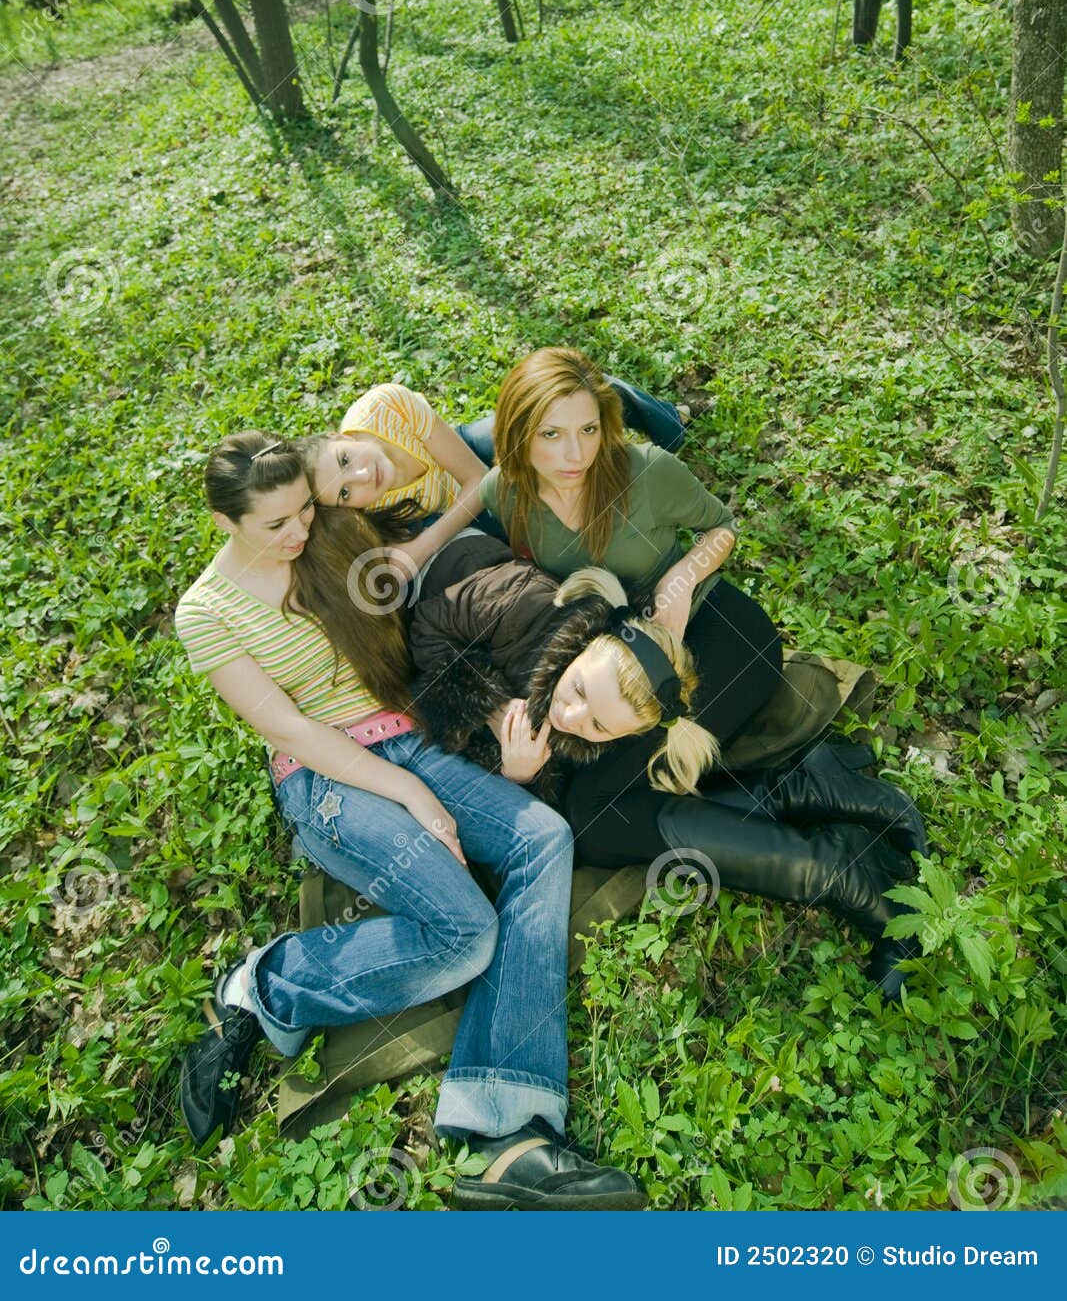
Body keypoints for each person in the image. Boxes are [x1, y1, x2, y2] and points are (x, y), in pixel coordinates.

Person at [173, 431, 645, 1210]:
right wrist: (410, 795)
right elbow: (291, 731)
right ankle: (268, 987)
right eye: (276, 524)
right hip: (326, 777)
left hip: (408, 736)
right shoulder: (206, 612)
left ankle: (507, 1131)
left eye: (303, 511)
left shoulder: (324, 536)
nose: (298, 532)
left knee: (542, 837)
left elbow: (423, 457)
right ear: (226, 523)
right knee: (463, 935)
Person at [400, 529, 926, 1001]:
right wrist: (516, 765)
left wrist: (491, 711)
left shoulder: (520, 604)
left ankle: (833, 866)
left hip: (719, 641)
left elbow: (429, 642)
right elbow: (544, 781)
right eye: (579, 701)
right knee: (589, 819)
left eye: (588, 712)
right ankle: (811, 805)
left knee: (594, 818)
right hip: (641, 687)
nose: (569, 716)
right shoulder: (571, 692)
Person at [480, 347, 784, 763]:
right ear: (518, 433)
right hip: (608, 668)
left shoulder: (648, 472)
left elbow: (722, 527)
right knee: (585, 779)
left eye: (588, 430)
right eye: (551, 434)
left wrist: (680, 581)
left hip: (705, 622)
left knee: (649, 773)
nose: (576, 454)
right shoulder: (504, 492)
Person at [297, 375, 689, 583]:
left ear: (337, 436)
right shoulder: (364, 514)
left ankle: (662, 417)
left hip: (464, 458)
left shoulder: (384, 407)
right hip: (455, 515)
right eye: (345, 492)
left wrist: (420, 550)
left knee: (547, 413)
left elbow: (476, 477)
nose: (363, 477)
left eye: (345, 460)